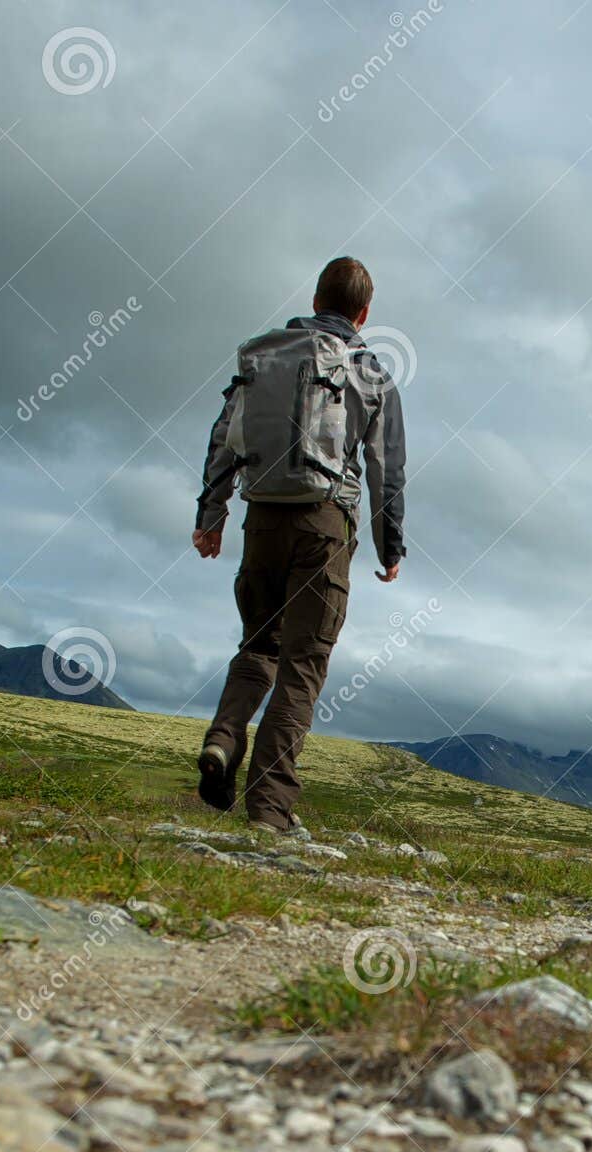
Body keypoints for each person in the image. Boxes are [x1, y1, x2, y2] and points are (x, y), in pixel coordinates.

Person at [191, 256, 407, 833]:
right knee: (302, 668)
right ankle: (269, 811)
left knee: (258, 647)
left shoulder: (261, 356)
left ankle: (222, 740)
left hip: (260, 519)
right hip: (325, 526)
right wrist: (391, 546)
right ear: (364, 313)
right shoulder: (369, 371)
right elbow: (386, 467)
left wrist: (210, 515)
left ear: (314, 301)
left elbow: (223, 438)